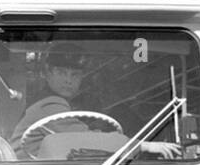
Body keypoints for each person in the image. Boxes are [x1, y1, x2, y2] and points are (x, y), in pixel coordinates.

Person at [11, 48, 181, 157]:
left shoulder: (59, 104)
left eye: (75, 75)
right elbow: (87, 139)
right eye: (61, 72)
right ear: (47, 74)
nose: (68, 80)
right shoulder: (49, 104)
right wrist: (144, 146)